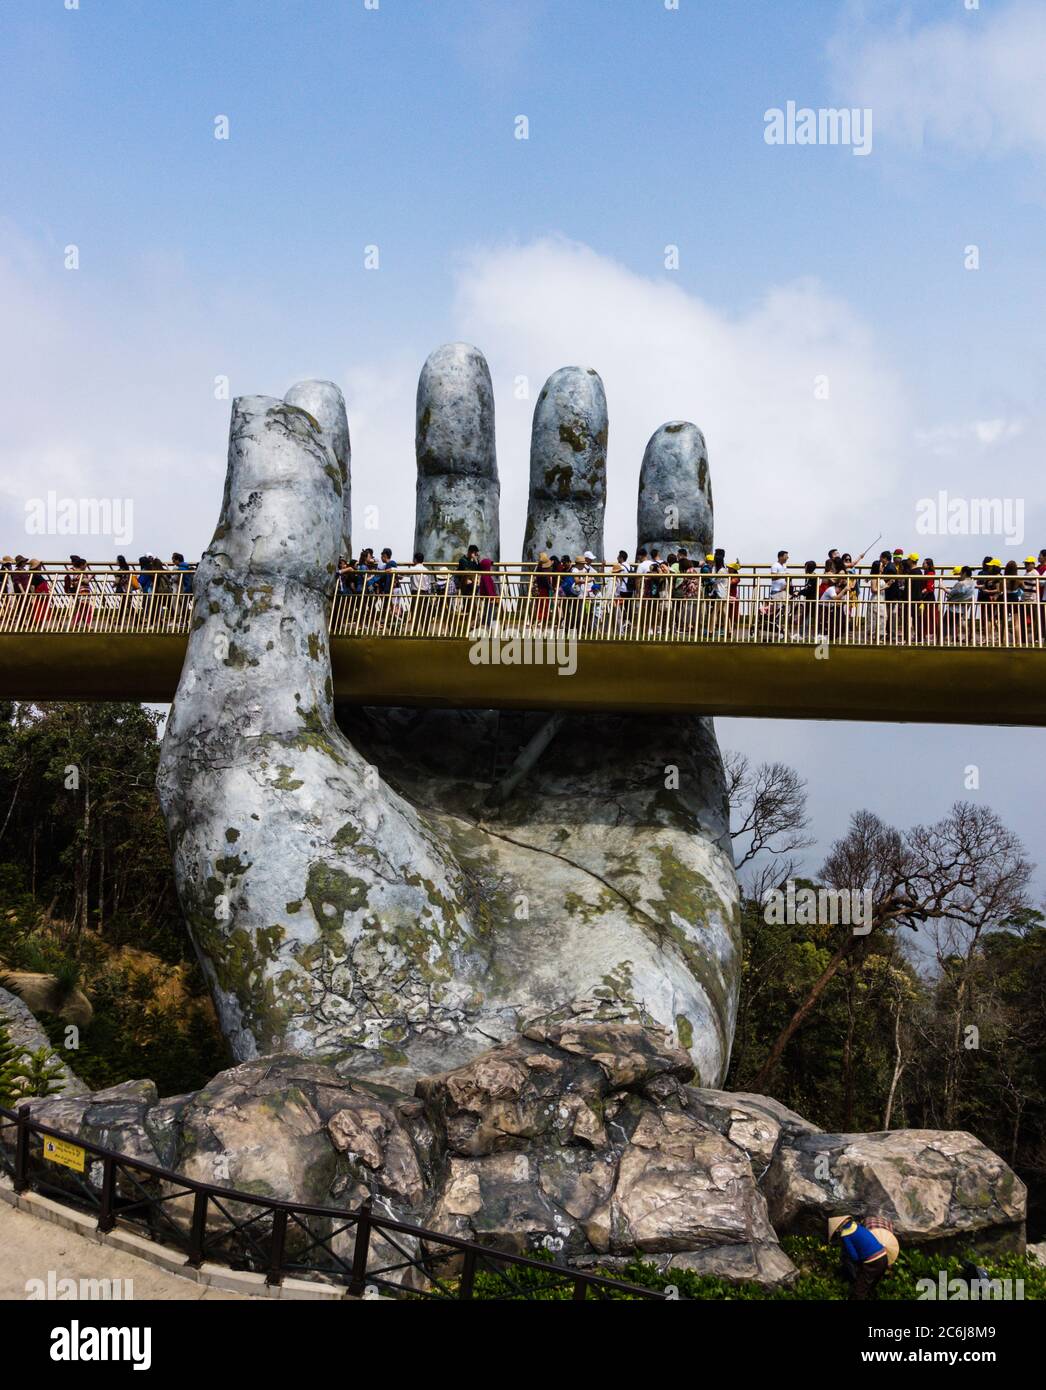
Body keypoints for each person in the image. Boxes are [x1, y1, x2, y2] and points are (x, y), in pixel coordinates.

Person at [827, 1215, 891, 1300]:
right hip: (884, 1256)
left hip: (873, 1262)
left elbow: (854, 1256)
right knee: (870, 1285)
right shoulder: (858, 1226)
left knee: (859, 1290)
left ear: (838, 1229)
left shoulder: (845, 1235)